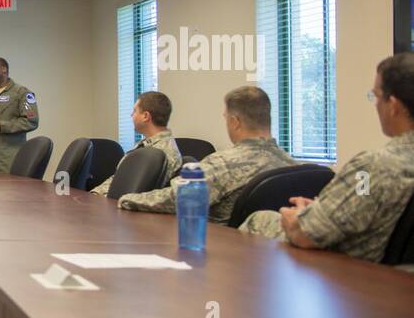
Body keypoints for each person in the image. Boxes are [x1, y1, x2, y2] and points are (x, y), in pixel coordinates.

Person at [240, 52, 414, 261]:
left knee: (259, 219)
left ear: (393, 106)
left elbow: (304, 233)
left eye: (375, 96)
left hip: (346, 270)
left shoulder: (371, 169)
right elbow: (361, 201)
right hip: (397, 278)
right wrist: (323, 208)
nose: (375, 104)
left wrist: (295, 215)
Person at [118, 85, 295, 224]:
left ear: (235, 122)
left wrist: (126, 199)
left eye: (226, 117)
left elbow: (176, 198)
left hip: (217, 252)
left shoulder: (225, 164)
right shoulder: (293, 166)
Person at [91, 91, 183, 196]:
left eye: (134, 111)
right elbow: (119, 178)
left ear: (145, 116)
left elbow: (136, 191)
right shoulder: (146, 145)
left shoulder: (164, 153)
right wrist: (95, 194)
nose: (131, 115)